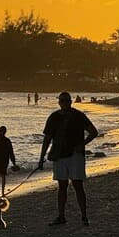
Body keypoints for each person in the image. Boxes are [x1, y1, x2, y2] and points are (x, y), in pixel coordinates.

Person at [38, 91, 99, 226]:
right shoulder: (53, 117)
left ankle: (84, 216)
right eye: (62, 101)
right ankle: (61, 216)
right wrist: (41, 157)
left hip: (75, 156)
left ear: (71, 102)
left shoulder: (78, 116)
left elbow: (94, 132)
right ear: (59, 102)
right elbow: (47, 139)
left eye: (67, 101)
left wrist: (82, 145)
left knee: (78, 185)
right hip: (59, 155)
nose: (64, 103)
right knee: (62, 187)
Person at [0, 126, 18, 196]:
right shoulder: (7, 140)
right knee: (3, 175)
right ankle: (2, 191)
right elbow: (11, 152)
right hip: (5, 159)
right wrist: (13, 162)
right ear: (5, 132)